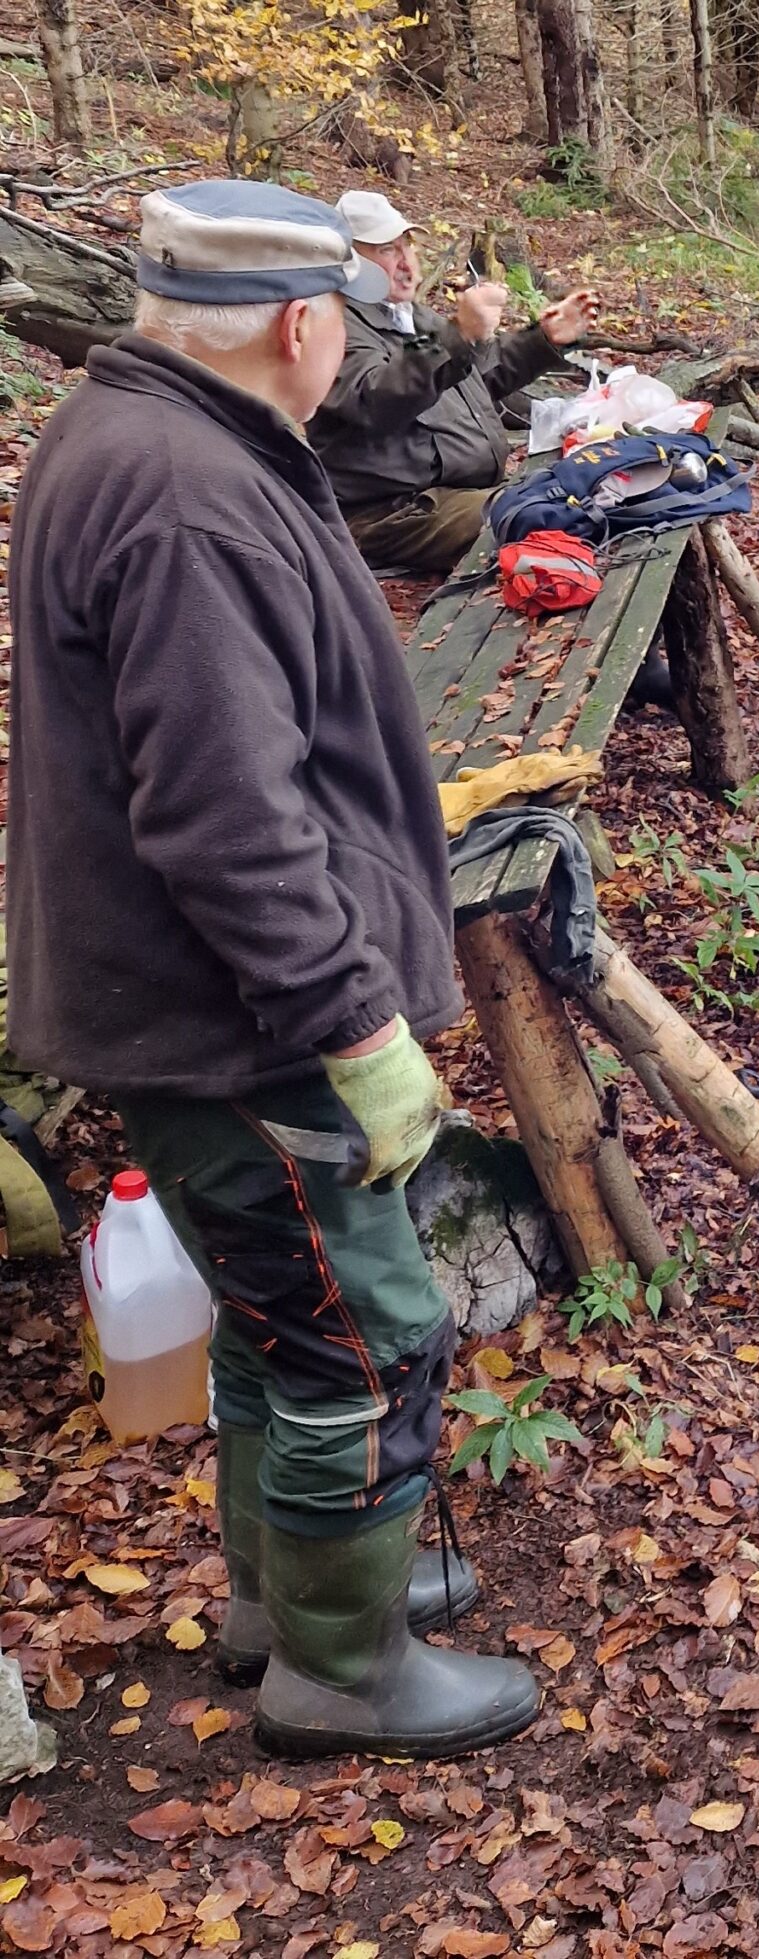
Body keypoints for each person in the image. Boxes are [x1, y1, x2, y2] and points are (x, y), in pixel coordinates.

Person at [5, 181, 539, 1760]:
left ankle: (281, 1600)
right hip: (232, 1019)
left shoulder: (156, 429)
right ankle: (341, 1668)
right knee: (362, 1330)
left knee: (277, 1312)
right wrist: (354, 1025)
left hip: (196, 999)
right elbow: (227, 818)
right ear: (304, 326)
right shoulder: (184, 494)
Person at [306, 188, 599, 573]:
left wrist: (543, 341)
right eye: (387, 252)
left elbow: (476, 379)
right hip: (394, 513)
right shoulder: (335, 324)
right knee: (548, 515)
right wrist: (458, 334)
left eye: (406, 247)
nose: (407, 264)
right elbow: (376, 395)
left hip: (458, 495)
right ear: (349, 262)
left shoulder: (412, 317)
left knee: (591, 490)